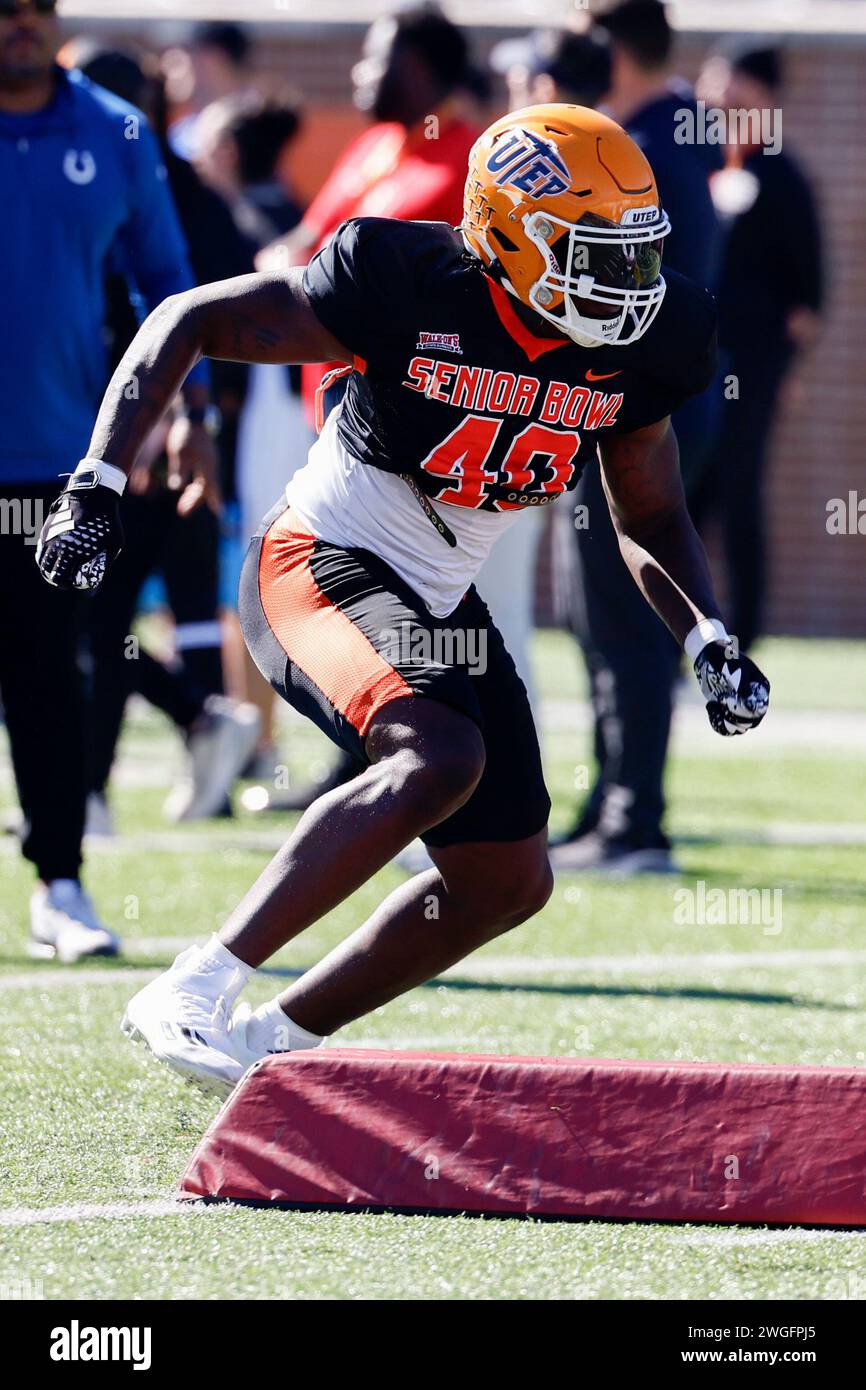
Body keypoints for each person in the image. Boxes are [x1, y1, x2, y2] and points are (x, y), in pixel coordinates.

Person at [36, 103, 771, 1095]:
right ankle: (195, 983)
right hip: (316, 555)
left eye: (633, 255)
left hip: (436, 591)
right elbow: (190, 317)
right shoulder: (404, 277)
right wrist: (98, 482)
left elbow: (645, 509)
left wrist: (705, 634)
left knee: (506, 878)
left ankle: (268, 1049)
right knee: (440, 755)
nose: (625, 285)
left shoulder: (655, 337)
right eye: (590, 256)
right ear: (507, 237)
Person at [0, 0, 216, 960]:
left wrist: (193, 414)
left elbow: (166, 284)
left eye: (35, 9)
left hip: (51, 458)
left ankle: (60, 883)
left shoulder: (117, 129)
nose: (20, 26)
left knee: (47, 672)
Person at [255, 1, 483, 811]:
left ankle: (474, 785)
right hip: (344, 422)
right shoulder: (374, 148)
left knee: (474, 622)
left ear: (422, 67)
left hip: (449, 444)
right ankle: (371, 768)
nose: (360, 73)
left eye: (377, 56)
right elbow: (304, 253)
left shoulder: (470, 164)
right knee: (359, 612)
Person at [68, 43, 262, 825]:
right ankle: (190, 726)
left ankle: (96, 786)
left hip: (144, 439)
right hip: (137, 429)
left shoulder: (164, 193)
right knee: (98, 614)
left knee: (97, 611)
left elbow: (208, 320)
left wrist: (173, 418)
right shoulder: (155, 183)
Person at [549, 0, 723, 873]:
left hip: (639, 420)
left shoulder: (647, 145)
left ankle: (635, 818)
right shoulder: (677, 130)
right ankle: (611, 803)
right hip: (646, 411)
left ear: (610, 47)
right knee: (600, 620)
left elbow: (649, 300)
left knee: (625, 619)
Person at [694, 41, 823, 651]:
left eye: (731, 86)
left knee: (740, 492)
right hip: (694, 364)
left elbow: (808, 298)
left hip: (752, 364)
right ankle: (685, 632)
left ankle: (744, 633)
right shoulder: (702, 168)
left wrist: (785, 372)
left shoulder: (782, 177)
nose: (717, 96)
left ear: (761, 94)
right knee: (687, 491)